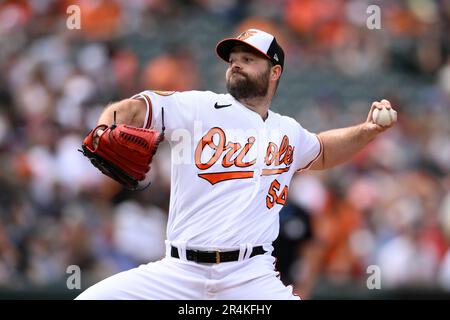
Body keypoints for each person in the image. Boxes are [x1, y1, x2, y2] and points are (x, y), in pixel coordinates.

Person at [76, 28, 396, 300]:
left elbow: (323, 151)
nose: (236, 65)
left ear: (275, 71)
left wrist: (367, 131)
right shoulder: (198, 107)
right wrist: (107, 125)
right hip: (179, 274)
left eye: (248, 59)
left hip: (250, 278)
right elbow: (135, 109)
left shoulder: (288, 130)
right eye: (233, 60)